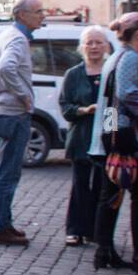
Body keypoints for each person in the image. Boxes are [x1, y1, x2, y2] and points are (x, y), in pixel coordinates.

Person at [91, 12, 138, 273]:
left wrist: (110, 136)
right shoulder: (129, 58)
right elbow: (125, 93)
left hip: (117, 136)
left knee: (111, 195)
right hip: (128, 140)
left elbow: (110, 102)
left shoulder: (115, 57)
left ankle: (105, 250)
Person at [0, 0, 45, 246]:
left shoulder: (5, 35)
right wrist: (22, 94)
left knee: (7, 172)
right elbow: (5, 67)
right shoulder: (17, 39)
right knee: (8, 174)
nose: (42, 15)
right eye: (38, 11)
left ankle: (2, 223)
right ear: (22, 15)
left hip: (1, 110)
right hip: (13, 113)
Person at [59, 26, 110, 247]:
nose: (94, 47)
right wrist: (83, 110)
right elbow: (65, 107)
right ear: (82, 47)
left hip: (104, 139)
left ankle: (95, 231)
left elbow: (115, 106)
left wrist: (112, 133)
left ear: (106, 46)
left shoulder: (111, 71)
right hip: (81, 136)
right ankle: (74, 230)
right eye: (89, 42)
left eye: (98, 42)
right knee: (80, 186)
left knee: (101, 187)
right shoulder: (73, 74)